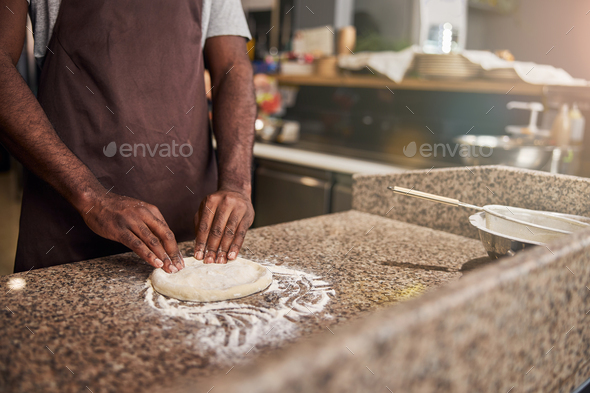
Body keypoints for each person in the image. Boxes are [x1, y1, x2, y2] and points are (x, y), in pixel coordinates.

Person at [0, 0, 256, 274]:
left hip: (185, 234)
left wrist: (237, 185)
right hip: (68, 221)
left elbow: (232, 67)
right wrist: (91, 197)